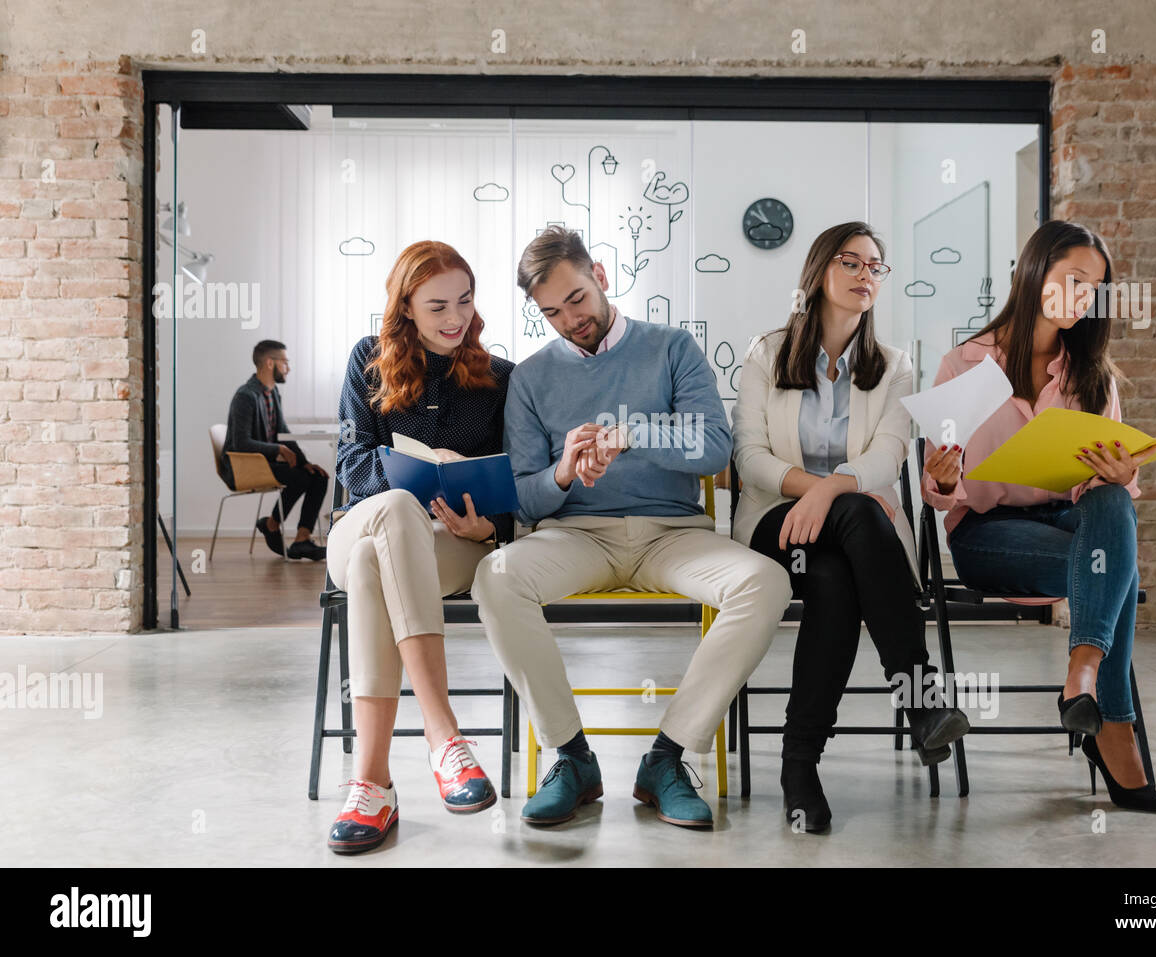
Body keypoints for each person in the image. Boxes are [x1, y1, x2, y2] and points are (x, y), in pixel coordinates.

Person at [471, 226, 792, 830]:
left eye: (577, 300)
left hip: (674, 534)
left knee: (766, 582)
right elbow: (521, 498)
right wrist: (563, 471)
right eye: (551, 313)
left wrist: (634, 430)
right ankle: (571, 758)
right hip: (576, 537)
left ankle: (667, 758)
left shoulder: (672, 348)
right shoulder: (532, 378)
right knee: (497, 574)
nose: (570, 319)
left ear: (600, 276)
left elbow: (715, 448)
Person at [920, 220, 1156, 812]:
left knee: (1111, 503)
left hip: (1075, 517)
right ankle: (1112, 725)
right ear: (1035, 274)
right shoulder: (965, 364)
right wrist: (944, 477)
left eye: (1094, 289)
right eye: (1074, 280)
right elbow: (939, 489)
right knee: (1117, 570)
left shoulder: (1092, 374)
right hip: (988, 532)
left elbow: (1119, 486)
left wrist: (1120, 473)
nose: (1083, 298)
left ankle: (1081, 672)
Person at [732, 221, 970, 833]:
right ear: (818, 273)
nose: (867, 275)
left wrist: (833, 492)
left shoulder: (894, 366)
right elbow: (751, 459)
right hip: (774, 528)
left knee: (836, 576)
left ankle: (799, 768)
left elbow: (889, 453)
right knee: (858, 510)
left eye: (875, 267)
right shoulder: (765, 352)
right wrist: (822, 495)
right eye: (852, 262)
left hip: (850, 539)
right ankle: (920, 698)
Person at [324, 240, 515, 853]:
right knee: (390, 515)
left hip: (452, 545)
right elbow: (351, 464)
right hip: (363, 519)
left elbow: (513, 485)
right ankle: (444, 737)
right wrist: (408, 475)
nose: (455, 317)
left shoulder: (498, 378)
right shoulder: (367, 360)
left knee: (370, 563)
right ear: (405, 306)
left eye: (464, 300)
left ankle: (371, 786)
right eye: (437, 305)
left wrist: (487, 527)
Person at [219, 339, 329, 560]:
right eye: (285, 362)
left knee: (317, 477)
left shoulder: (272, 393)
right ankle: (271, 524)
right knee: (301, 479)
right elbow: (241, 443)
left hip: (266, 462)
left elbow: (282, 431)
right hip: (245, 466)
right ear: (270, 363)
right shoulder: (245, 396)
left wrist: (304, 462)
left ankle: (301, 540)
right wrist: (277, 449)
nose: (288, 367)